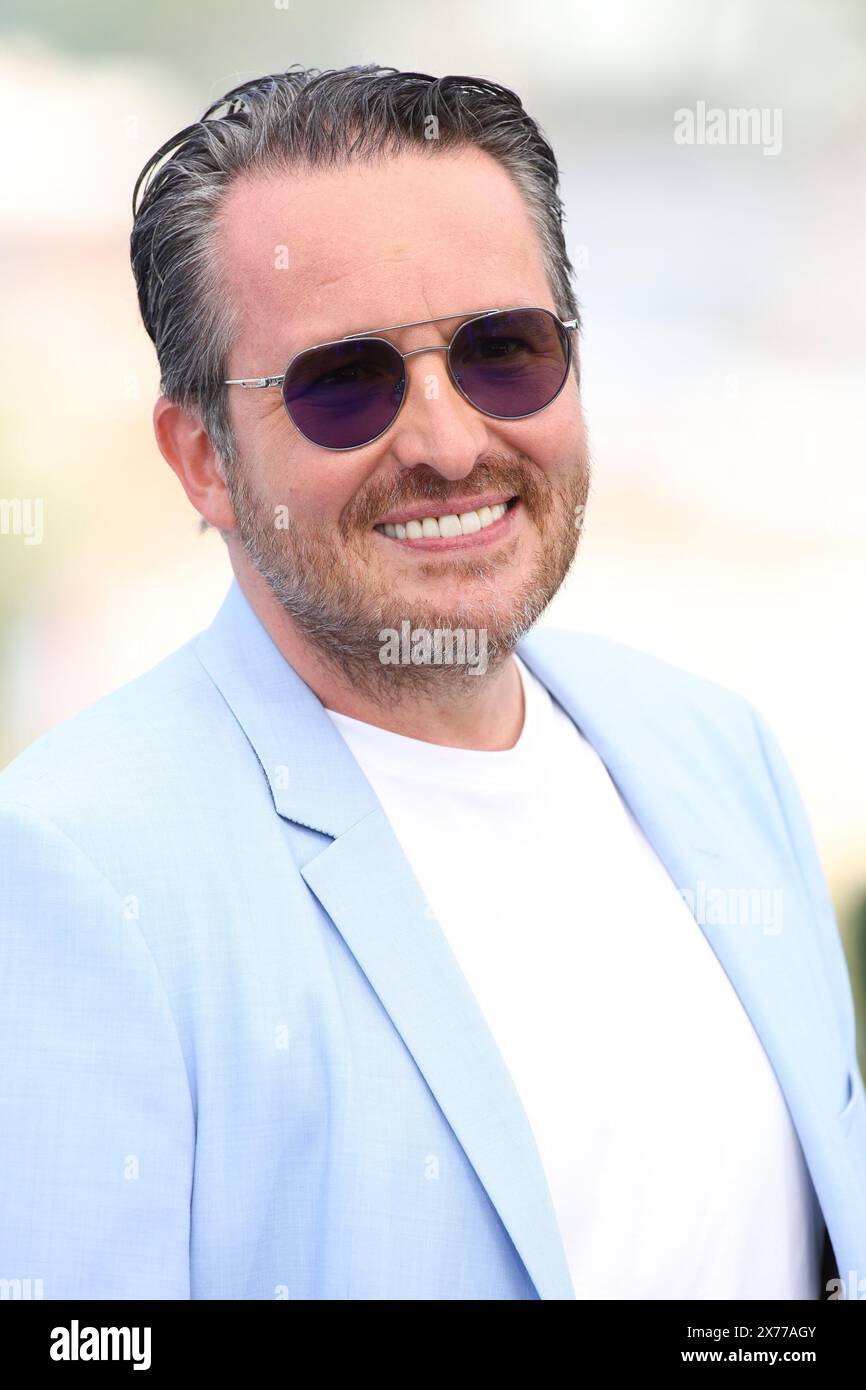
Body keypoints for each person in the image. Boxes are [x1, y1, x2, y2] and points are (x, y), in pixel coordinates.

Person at [1, 65, 863, 1301]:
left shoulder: (718, 752)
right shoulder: (75, 873)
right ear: (201, 458)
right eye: (342, 382)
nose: (450, 443)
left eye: (502, 351)